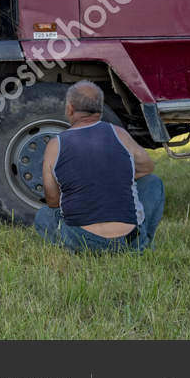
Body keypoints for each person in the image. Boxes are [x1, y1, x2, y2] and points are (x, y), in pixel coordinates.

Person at [36, 81, 166, 253]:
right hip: (129, 240)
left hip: (81, 239)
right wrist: (111, 175)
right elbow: (147, 168)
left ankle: (77, 248)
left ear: (69, 108)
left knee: (43, 216)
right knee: (153, 183)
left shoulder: (55, 145)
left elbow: (52, 201)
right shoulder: (120, 134)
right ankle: (143, 243)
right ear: (101, 109)